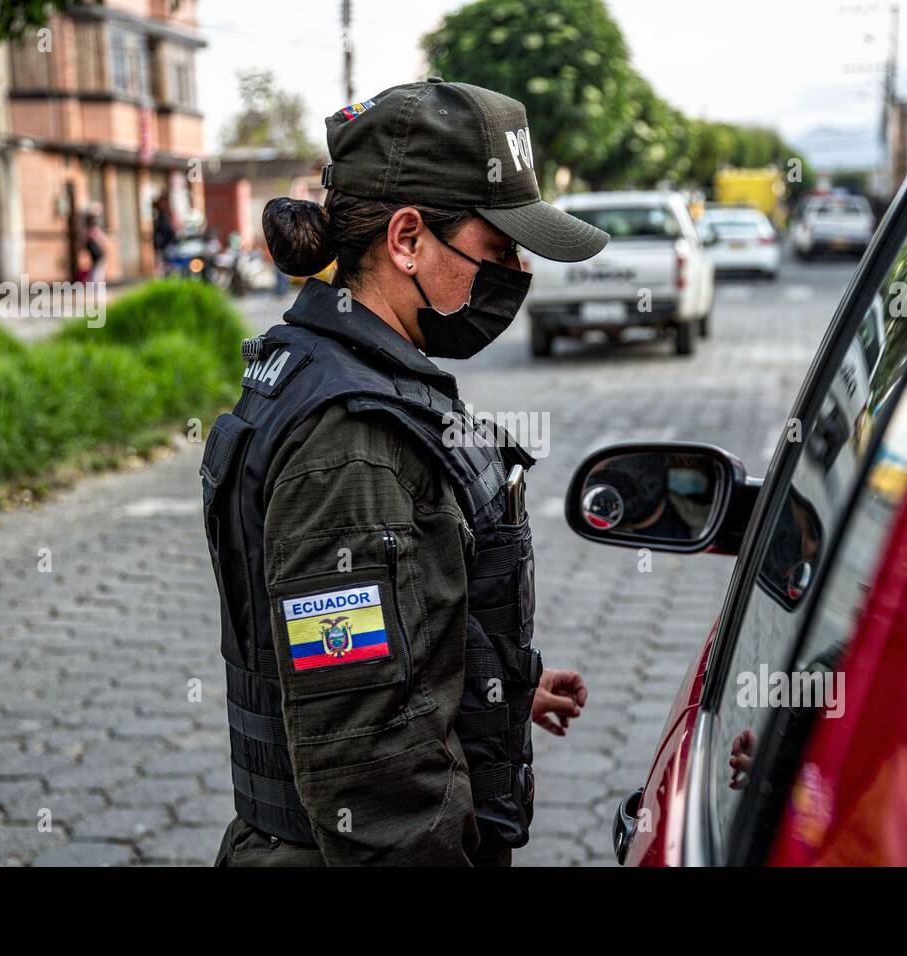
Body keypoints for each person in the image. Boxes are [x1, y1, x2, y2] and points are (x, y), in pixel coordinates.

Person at [201, 77, 607, 866]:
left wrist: (488, 684)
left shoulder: (362, 382)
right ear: (408, 238)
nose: (515, 275)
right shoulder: (347, 446)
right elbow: (368, 772)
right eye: (496, 250)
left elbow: (391, 645)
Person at [82, 206, 107, 284]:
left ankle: (93, 284)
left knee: (96, 269)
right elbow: (102, 238)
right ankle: (95, 285)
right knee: (98, 269)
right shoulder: (93, 229)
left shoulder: (88, 229)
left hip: (95, 252)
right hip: (96, 252)